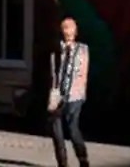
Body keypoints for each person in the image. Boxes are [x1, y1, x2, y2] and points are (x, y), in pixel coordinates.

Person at [50, 17, 90, 167]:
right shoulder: (56, 50)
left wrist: (79, 93)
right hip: (57, 95)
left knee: (73, 129)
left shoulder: (82, 49)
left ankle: (83, 159)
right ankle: (62, 162)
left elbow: (81, 72)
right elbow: (54, 74)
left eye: (69, 28)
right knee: (56, 131)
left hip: (75, 95)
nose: (66, 31)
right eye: (64, 28)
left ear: (75, 31)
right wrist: (52, 96)